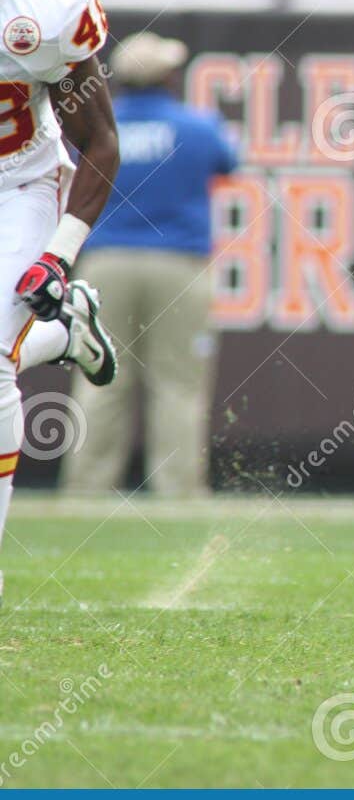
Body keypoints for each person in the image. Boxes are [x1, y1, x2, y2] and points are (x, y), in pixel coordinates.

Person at [0, 0, 121, 605]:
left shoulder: (44, 9)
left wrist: (60, 253)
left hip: (20, 185)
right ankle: (65, 326)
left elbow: (101, 141)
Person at [61, 33, 235, 503]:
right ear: (167, 77)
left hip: (106, 263)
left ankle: (86, 493)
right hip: (178, 264)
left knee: (99, 381)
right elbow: (229, 161)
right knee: (177, 384)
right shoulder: (197, 128)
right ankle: (178, 493)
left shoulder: (97, 130)